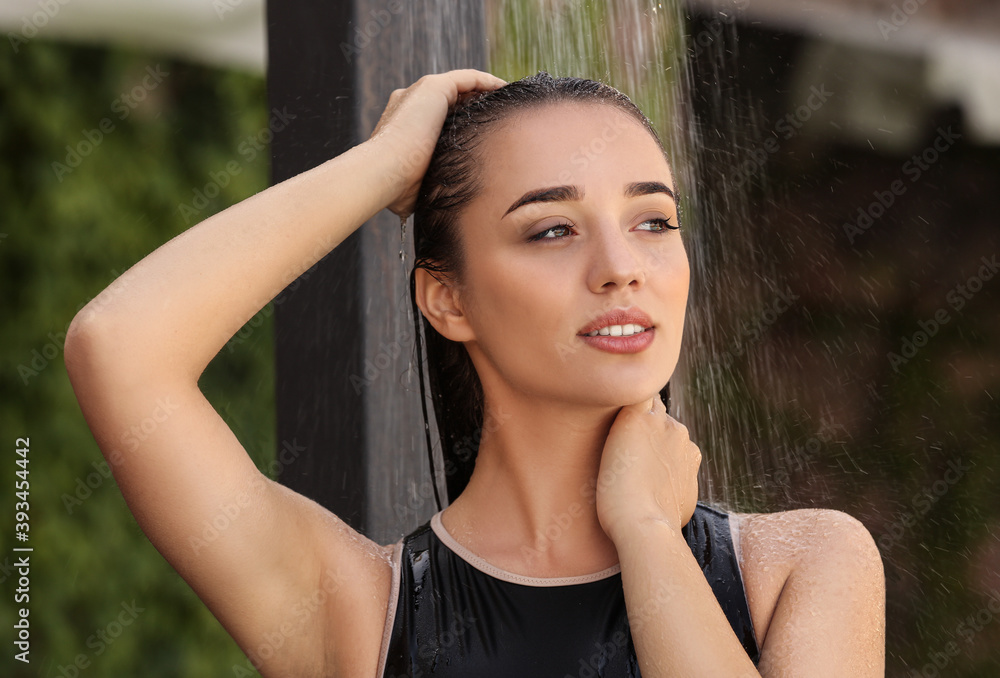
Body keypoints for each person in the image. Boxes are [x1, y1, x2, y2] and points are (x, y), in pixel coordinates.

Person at [65, 69, 885, 677]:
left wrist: (646, 533)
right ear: (448, 299)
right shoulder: (359, 614)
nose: (621, 266)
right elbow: (120, 347)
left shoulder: (803, 565)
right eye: (553, 230)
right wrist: (386, 165)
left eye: (654, 220)